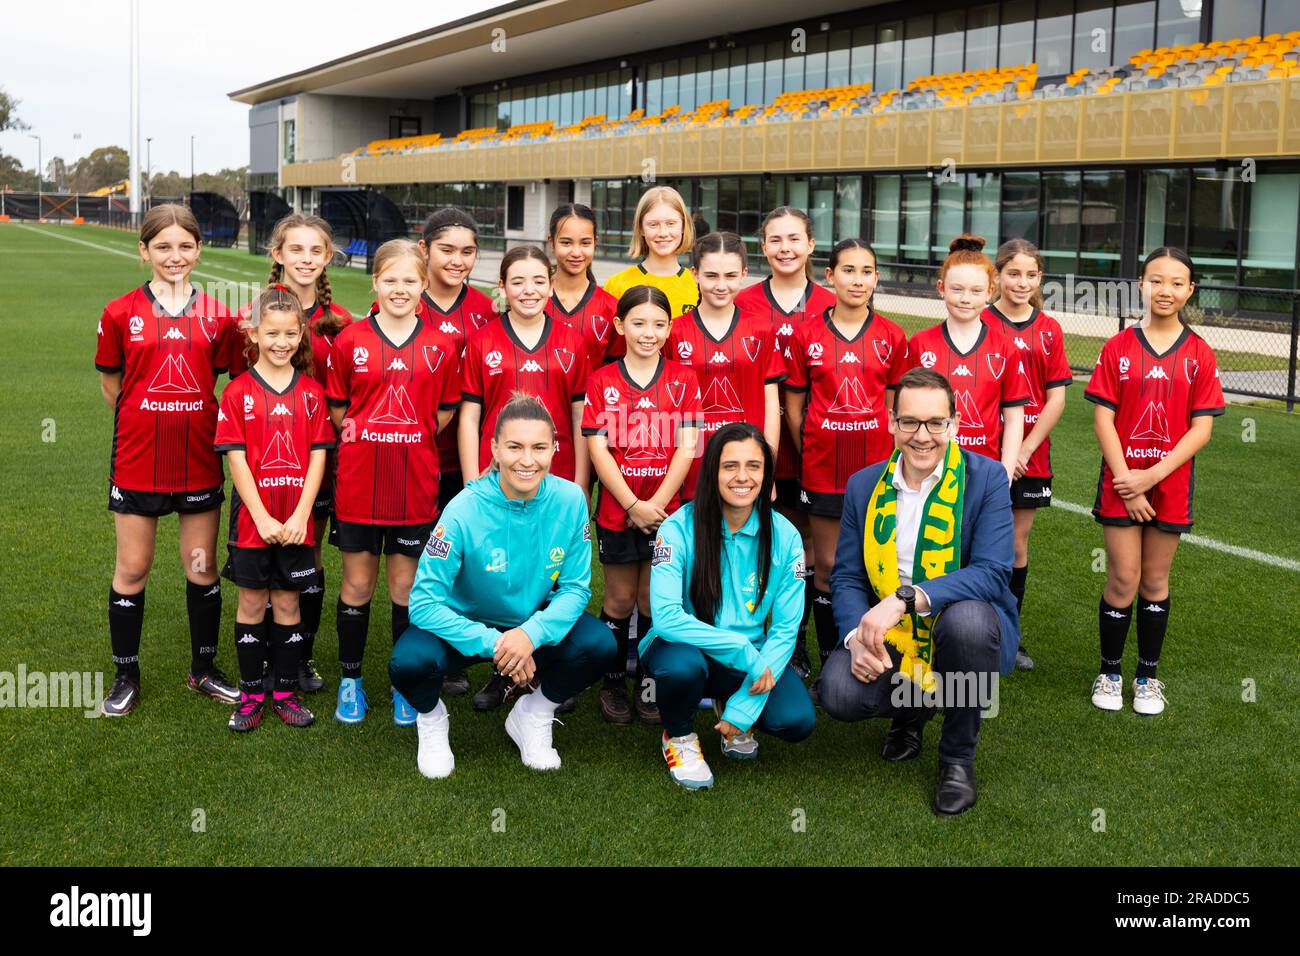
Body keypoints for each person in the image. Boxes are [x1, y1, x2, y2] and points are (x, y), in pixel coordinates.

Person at [818, 368, 1020, 816]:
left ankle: (956, 759)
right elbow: (848, 577)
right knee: (838, 693)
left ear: (955, 424)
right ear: (892, 423)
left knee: (968, 623)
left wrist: (905, 598)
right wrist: (855, 638)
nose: (922, 436)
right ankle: (913, 710)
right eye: (909, 422)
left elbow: (992, 572)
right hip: (892, 638)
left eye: (935, 423)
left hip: (957, 623)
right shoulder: (864, 484)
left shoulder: (985, 479)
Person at [389, 394, 617, 778]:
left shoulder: (570, 501)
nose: (527, 460)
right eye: (514, 447)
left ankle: (533, 714)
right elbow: (424, 603)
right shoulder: (463, 508)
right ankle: (431, 719)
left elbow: (576, 589)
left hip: (531, 626)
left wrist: (531, 633)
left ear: (554, 449)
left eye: (539, 448)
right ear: (494, 448)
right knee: (409, 662)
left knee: (599, 645)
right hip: (466, 627)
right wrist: (498, 644)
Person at [95, 203, 239, 716]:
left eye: (184, 246)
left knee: (201, 569)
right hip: (138, 461)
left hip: (199, 458)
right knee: (132, 568)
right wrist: (151, 414)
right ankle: (125, 675)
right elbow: (114, 387)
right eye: (162, 246)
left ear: (199, 251)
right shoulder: (119, 313)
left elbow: (228, 379)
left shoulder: (219, 315)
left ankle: (203, 669)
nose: (174, 256)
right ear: (144, 251)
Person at [325, 239, 461, 725]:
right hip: (359, 486)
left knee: (405, 589)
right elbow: (340, 409)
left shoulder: (441, 344)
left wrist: (407, 433)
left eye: (409, 281)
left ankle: (403, 685)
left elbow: (443, 413)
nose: (399, 289)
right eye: (390, 280)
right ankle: (351, 680)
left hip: (414, 488)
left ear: (424, 285)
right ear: (374, 284)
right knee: (357, 585)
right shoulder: (350, 341)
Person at [1084, 247, 1223, 716]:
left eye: (1176, 283)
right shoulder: (1118, 347)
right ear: (1141, 285)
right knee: (1123, 577)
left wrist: (1154, 476)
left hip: (1168, 484)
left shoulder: (1200, 353)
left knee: (1156, 580)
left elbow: (1201, 428)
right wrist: (1128, 480)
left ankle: (1147, 677)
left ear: (1190, 291)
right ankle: (1109, 671)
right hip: (1122, 481)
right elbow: (1103, 419)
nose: (1165, 290)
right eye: (1156, 280)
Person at [640, 423, 813, 790]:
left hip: (749, 656)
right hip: (686, 648)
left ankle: (729, 705)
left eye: (754, 466)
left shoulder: (785, 536)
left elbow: (785, 629)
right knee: (680, 668)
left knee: (796, 719)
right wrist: (742, 651)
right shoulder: (678, 528)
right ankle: (679, 737)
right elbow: (667, 618)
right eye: (730, 466)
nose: (742, 477)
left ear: (766, 475)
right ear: (712, 471)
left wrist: (744, 707)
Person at [459, 246, 592, 711]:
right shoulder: (482, 342)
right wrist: (472, 482)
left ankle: (545, 670)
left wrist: (579, 481)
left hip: (554, 479)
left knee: (549, 576)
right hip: (497, 480)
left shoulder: (573, 342)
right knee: (504, 574)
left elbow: (581, 417)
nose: (529, 290)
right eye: (517, 281)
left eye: (538, 280)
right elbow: (470, 418)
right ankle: (505, 671)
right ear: (502, 287)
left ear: (551, 286)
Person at [235, 214, 353, 693]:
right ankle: (261, 656)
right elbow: (237, 385)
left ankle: (299, 657)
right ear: (278, 255)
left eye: (315, 251)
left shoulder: (342, 322)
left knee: (308, 557)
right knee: (262, 555)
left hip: (319, 461)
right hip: (266, 465)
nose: (305, 260)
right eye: (296, 250)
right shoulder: (251, 315)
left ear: (326, 258)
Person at [783, 239, 909, 671]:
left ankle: (878, 648)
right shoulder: (805, 334)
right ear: (829, 276)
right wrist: (812, 449)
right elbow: (795, 409)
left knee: (876, 564)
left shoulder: (892, 335)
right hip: (822, 471)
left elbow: (894, 409)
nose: (858, 279)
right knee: (827, 566)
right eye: (849, 270)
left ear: (876, 278)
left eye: (867, 271)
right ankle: (828, 659)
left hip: (876, 472)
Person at [215, 286, 334, 731]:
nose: (281, 342)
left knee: (287, 604)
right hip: (253, 524)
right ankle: (249, 696)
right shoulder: (238, 393)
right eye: (272, 334)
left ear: (301, 334)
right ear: (253, 334)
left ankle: (284, 691)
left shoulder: (311, 394)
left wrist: (302, 514)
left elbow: (319, 455)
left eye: (289, 334)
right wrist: (263, 517)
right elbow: (237, 458)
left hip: (295, 522)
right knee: (251, 603)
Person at [583, 285, 701, 723]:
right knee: (619, 599)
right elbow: (598, 450)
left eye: (657, 324)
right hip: (618, 511)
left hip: (667, 513)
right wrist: (633, 503)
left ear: (669, 329)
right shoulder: (603, 380)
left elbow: (687, 448)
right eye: (638, 323)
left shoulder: (684, 379)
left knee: (654, 602)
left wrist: (656, 505)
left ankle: (650, 683)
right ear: (619, 326)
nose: (648, 333)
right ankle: (613, 682)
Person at [735, 206, 835, 676]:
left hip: (817, 451)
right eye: (775, 240)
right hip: (757, 451)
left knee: (815, 553)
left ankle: (812, 648)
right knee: (765, 549)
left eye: (794, 239)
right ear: (763, 247)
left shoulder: (832, 303)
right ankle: (770, 646)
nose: (785, 249)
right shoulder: (744, 301)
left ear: (811, 245)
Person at [981, 238, 1071, 672]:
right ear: (996, 276)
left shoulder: (1048, 328)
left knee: (1015, 545)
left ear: (1039, 279)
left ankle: (1008, 636)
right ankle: (962, 629)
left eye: (1031, 274)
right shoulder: (979, 319)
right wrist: (1002, 450)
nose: (1021, 282)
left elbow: (1056, 399)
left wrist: (1024, 449)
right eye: (1013, 273)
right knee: (967, 541)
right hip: (981, 450)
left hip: (1029, 457)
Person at [667, 231, 784, 501]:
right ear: (695, 274)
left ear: (744, 273)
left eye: (730, 276)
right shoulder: (674, 332)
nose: (721, 285)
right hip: (691, 466)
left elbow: (770, 406)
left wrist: (769, 470)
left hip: (748, 466)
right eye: (711, 276)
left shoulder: (762, 330)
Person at [906, 235, 1027, 485]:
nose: (965, 298)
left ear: (990, 292)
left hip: (985, 471)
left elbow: (1014, 417)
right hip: (927, 472)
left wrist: (1003, 474)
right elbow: (905, 414)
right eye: (957, 289)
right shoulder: (920, 344)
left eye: (976, 291)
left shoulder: (1005, 348)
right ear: (941, 288)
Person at [545, 203, 623, 372]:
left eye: (585, 243)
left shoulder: (611, 308)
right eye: (566, 243)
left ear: (596, 242)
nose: (576, 252)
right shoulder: (533, 300)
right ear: (552, 242)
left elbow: (616, 375)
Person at [603, 186, 700, 319]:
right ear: (641, 229)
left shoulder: (698, 284)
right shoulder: (616, 285)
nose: (663, 233)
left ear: (683, 226)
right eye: (653, 225)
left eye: (671, 223)